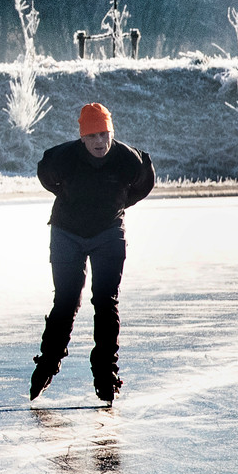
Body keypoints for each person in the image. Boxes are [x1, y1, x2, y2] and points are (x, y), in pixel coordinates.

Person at [30, 102, 155, 405]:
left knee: (105, 299)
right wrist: (70, 196)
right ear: (82, 138)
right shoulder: (63, 157)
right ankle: (48, 362)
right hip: (66, 232)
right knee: (67, 299)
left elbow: (145, 182)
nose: (100, 142)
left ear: (112, 133)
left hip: (109, 232)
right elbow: (46, 175)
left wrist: (120, 203)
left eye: (105, 134)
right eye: (93, 136)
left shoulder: (128, 159)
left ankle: (105, 372)